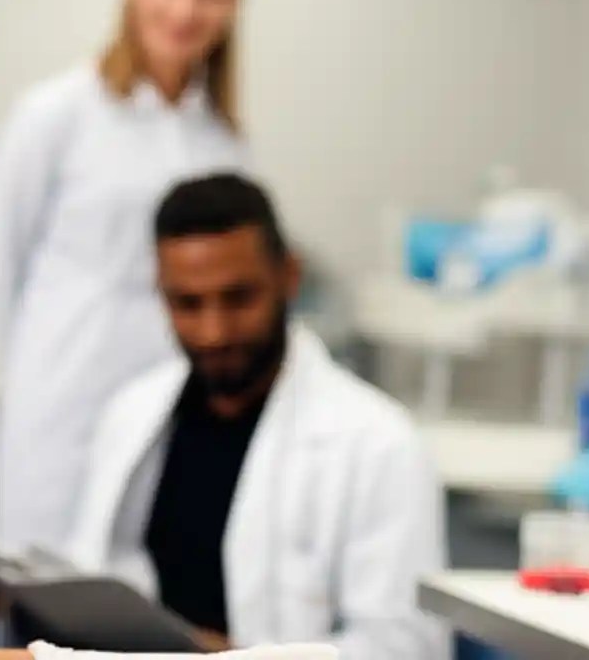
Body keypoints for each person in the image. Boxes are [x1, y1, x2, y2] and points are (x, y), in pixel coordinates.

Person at [64, 175, 451, 660]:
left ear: (289, 277)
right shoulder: (131, 415)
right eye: (187, 304)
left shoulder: (378, 444)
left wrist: (236, 658)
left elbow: (408, 649)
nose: (214, 332)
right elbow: (95, 579)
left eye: (238, 298)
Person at [0, 0, 251, 552]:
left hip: (169, 422)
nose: (185, 8)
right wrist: (33, 379)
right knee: (43, 586)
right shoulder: (55, 114)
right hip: (61, 409)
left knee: (138, 592)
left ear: (235, 2)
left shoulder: (224, 145)